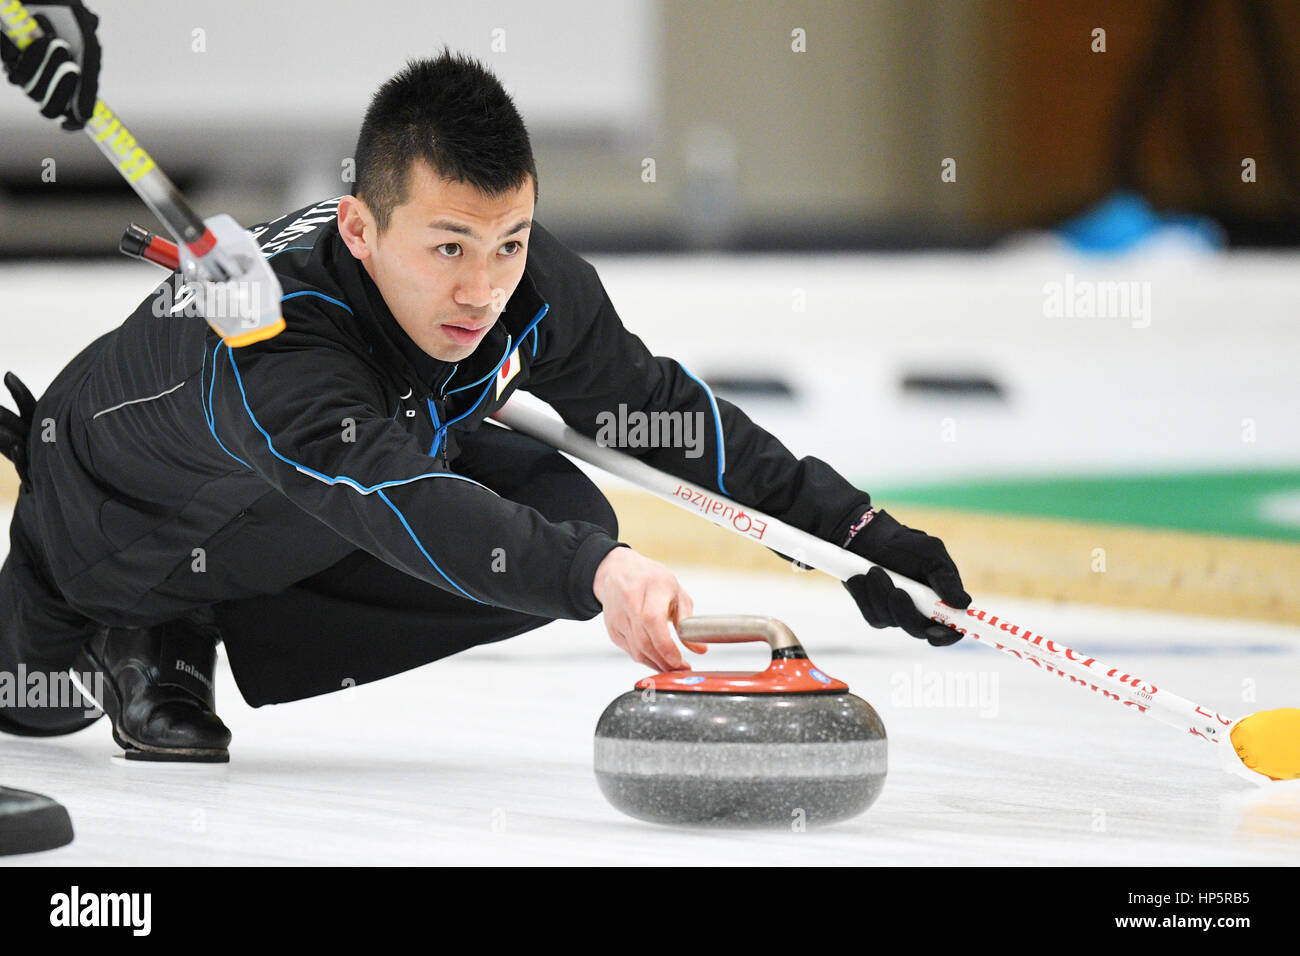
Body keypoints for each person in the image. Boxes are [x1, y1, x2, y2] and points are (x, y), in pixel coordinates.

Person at [1, 15, 970, 762]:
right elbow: (404, 498)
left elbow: (663, 411)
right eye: (449, 247)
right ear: (357, 228)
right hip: (101, 536)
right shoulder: (276, 343)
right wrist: (597, 572)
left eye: (507, 241)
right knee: (37, 703)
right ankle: (146, 620)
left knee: (563, 512)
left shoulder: (523, 287)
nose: (482, 287)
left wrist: (849, 536)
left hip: (294, 513)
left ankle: (197, 626)